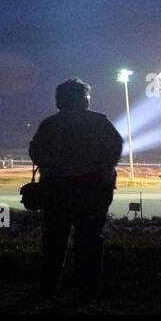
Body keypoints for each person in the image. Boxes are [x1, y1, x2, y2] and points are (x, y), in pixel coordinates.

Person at [28, 78, 122, 299]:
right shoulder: (100, 122)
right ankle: (88, 289)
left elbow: (36, 152)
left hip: (56, 190)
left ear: (59, 101)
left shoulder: (50, 124)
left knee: (54, 240)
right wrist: (104, 169)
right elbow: (114, 147)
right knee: (89, 240)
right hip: (94, 190)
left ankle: (49, 287)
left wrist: (52, 167)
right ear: (84, 100)